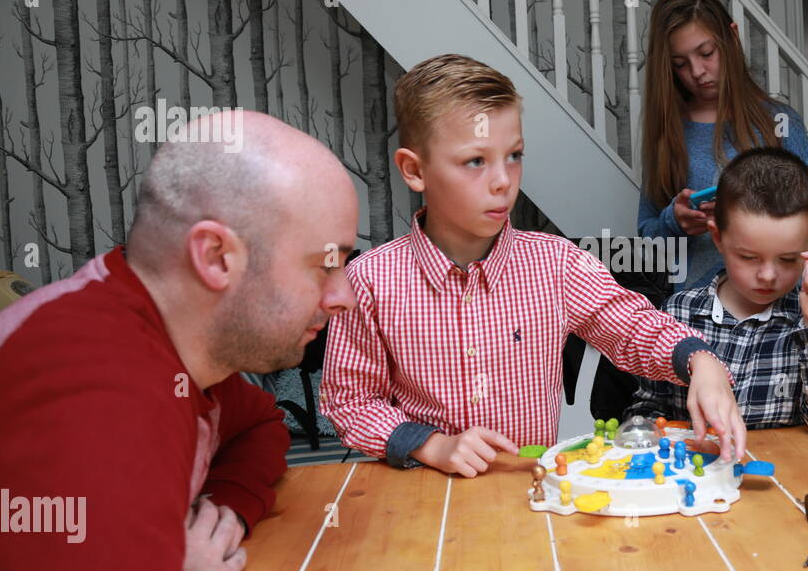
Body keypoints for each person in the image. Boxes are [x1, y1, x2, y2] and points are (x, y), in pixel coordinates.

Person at [0, 112, 359, 571]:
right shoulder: (90, 390)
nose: (345, 297)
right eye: (325, 264)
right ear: (214, 256)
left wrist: (224, 513)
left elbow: (260, 426)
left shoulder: (179, 357)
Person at [320, 53, 747, 477]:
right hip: (426, 502)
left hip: (531, 496)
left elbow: (631, 325)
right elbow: (349, 403)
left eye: (514, 155)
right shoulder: (368, 281)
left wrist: (699, 359)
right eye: (475, 161)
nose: (504, 180)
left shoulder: (555, 264)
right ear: (414, 170)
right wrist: (431, 444)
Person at [627, 149, 808, 438]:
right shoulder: (678, 314)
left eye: (788, 259)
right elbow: (646, 410)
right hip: (700, 477)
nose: (767, 275)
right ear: (718, 238)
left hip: (788, 477)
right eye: (749, 257)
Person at [637, 0, 808, 290]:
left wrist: (742, 210)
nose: (697, 71)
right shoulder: (669, 133)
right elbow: (647, 241)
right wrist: (675, 221)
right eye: (680, 64)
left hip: (775, 309)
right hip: (695, 314)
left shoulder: (779, 123)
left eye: (706, 53)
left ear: (732, 36)